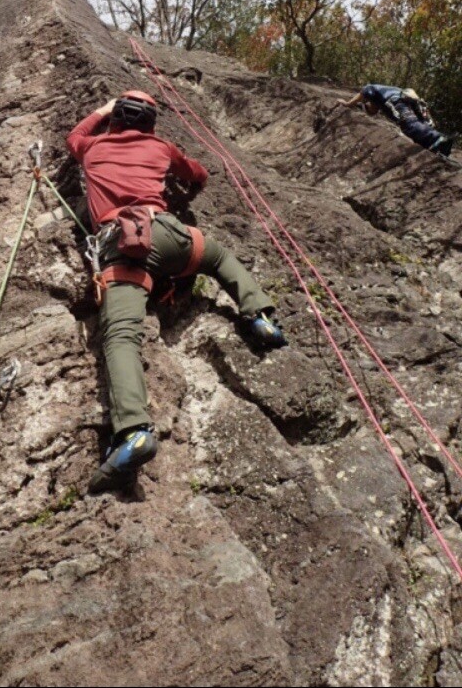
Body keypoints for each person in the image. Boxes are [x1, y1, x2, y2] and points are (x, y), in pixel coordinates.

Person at [66, 90, 287, 494]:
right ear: (150, 123)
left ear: (115, 118)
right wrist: (182, 191)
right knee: (219, 259)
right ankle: (259, 316)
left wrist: (101, 110)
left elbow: (73, 139)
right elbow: (198, 175)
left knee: (120, 335)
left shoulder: (93, 147)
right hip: (172, 234)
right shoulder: (160, 147)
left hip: (126, 245)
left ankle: (133, 430)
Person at [339, 84, 454, 156]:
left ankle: (438, 139)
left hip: (396, 99)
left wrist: (348, 103)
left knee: (408, 123)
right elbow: (372, 112)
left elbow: (363, 92)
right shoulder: (381, 93)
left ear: (369, 101)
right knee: (416, 123)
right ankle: (433, 144)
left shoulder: (371, 89)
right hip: (408, 98)